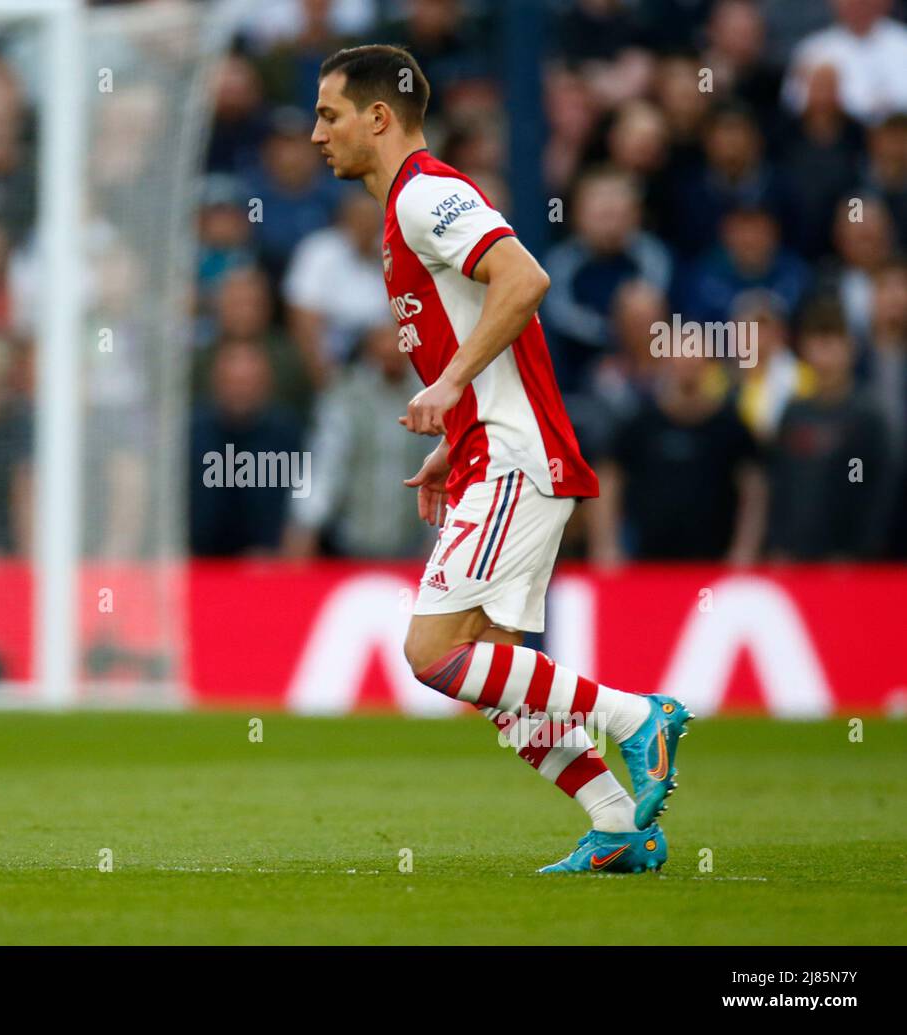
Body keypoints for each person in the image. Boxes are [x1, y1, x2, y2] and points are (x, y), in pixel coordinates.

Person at [311, 44, 693, 874]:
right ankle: (619, 826)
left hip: (515, 460)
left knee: (434, 654)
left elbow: (524, 279)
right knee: (497, 673)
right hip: (492, 450)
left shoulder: (428, 195)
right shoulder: (400, 213)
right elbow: (496, 333)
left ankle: (637, 717)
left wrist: (449, 388)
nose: (316, 135)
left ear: (379, 118)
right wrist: (456, 434)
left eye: (329, 114)